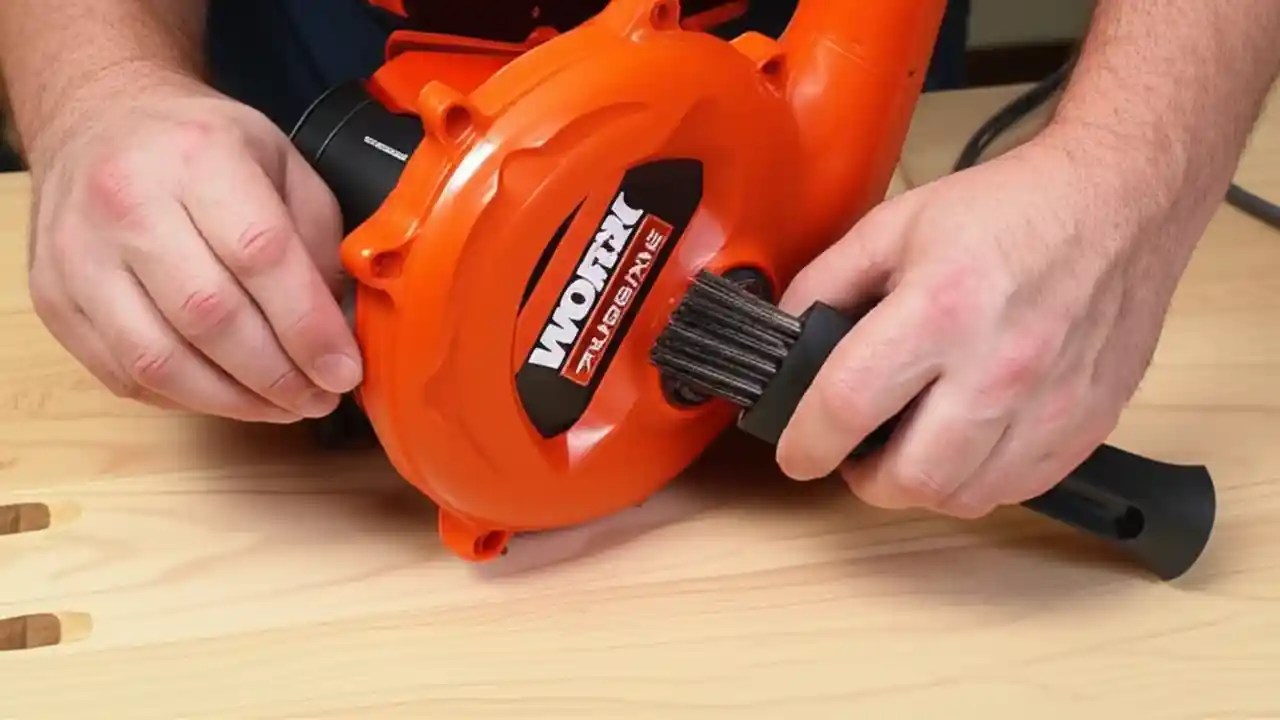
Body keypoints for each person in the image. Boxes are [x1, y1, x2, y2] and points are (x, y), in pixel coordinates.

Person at [0, 1, 1277, 520]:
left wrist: (1130, 171)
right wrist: (96, 86)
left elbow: (1130, 164)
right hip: (293, 166)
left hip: (798, 144)